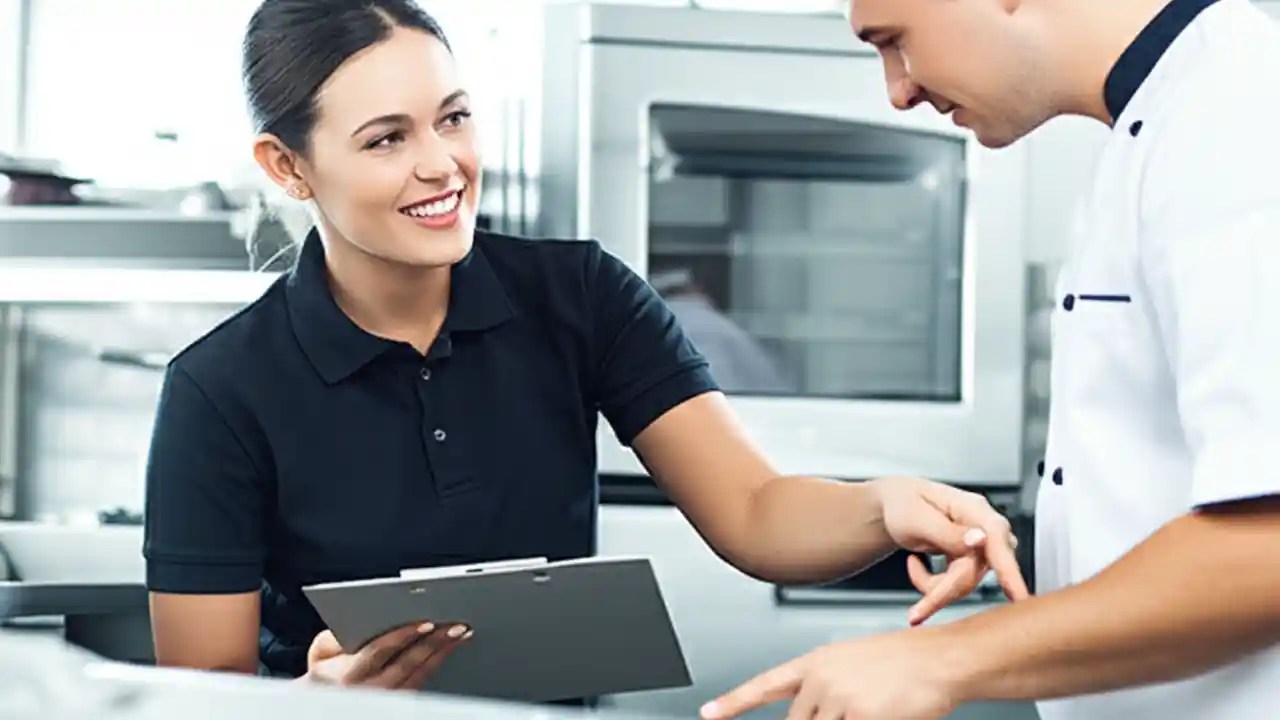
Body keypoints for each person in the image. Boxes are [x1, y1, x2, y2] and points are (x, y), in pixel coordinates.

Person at [142, 0, 1027, 693]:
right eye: (387, 139)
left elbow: (756, 510)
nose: (442, 165)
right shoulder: (220, 390)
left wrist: (886, 504)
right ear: (288, 167)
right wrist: (314, 696)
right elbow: (197, 696)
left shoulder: (580, 297)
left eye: (452, 119)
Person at [702, 0, 1280, 719]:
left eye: (895, 42)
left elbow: (1271, 548)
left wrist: (945, 659)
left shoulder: (1238, 112)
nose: (898, 90)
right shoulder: (1156, 122)